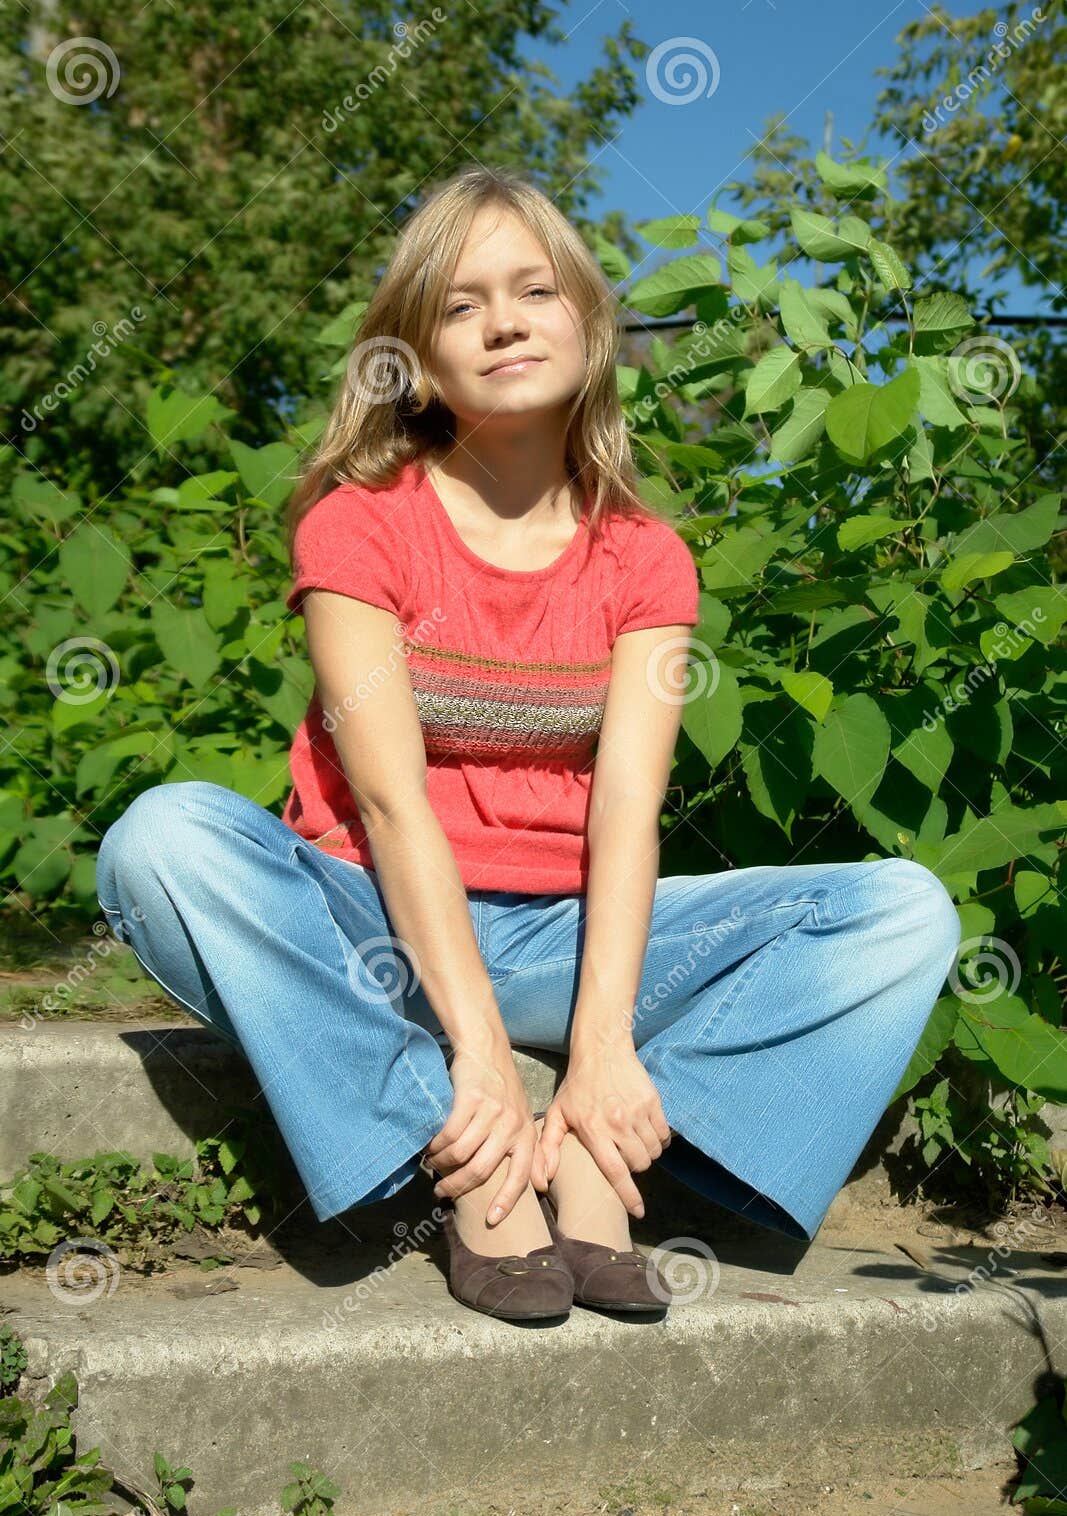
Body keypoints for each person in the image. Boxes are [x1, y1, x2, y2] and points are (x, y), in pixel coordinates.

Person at [95, 165, 962, 1325]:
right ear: (414, 359)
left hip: (563, 938)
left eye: (534, 290)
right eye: (459, 306)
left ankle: (606, 1151)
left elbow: (625, 812)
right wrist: (483, 1062)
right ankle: (476, 1158)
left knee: (901, 912)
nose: (503, 321)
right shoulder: (358, 526)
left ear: (588, 323)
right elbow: (392, 804)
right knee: (163, 841)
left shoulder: (645, 558)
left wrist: (600, 1045)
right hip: (374, 924)